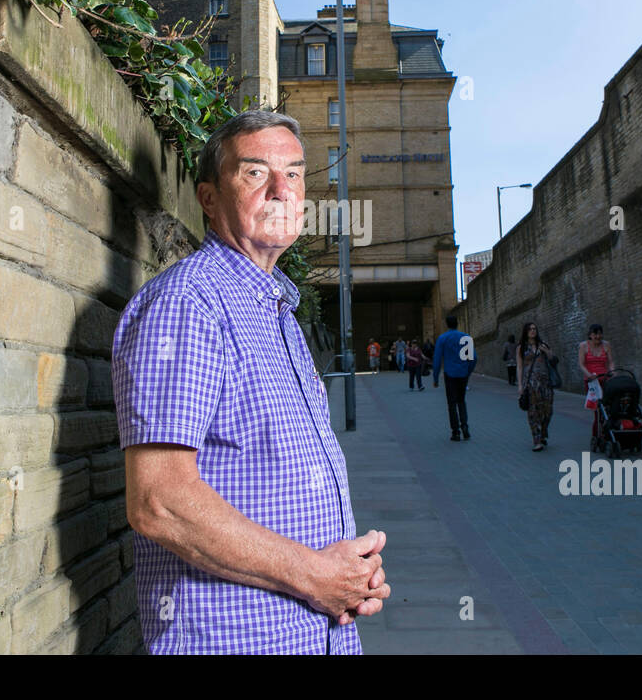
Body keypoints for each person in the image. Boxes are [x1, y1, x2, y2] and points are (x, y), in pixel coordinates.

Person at [113, 111, 390, 654]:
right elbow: (159, 499)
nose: (281, 190)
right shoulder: (188, 304)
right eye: (255, 173)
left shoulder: (275, 310)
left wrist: (346, 576)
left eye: (293, 173)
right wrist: (312, 574)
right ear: (210, 198)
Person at [432, 316, 477, 441]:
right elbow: (473, 357)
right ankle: (465, 427)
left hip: (450, 374)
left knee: (451, 403)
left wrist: (435, 378)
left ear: (447, 324)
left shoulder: (443, 338)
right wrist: (468, 371)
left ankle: (455, 431)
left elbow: (437, 360)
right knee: (461, 400)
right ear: (457, 323)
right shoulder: (466, 337)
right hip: (463, 373)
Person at [517, 320, 555, 451]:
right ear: (526, 332)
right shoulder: (521, 348)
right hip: (530, 384)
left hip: (545, 383)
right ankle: (537, 440)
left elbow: (553, 359)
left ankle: (543, 432)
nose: (533, 331)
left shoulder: (543, 344)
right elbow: (520, 367)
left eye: (534, 329)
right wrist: (520, 386)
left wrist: (547, 351)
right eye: (530, 329)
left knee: (548, 411)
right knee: (533, 412)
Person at [577, 323, 615, 429]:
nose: (598, 337)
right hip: (592, 381)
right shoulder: (583, 346)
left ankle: (607, 426)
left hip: (605, 378)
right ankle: (597, 431)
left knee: (608, 404)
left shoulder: (606, 345)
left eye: (600, 334)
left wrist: (613, 372)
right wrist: (589, 375)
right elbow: (581, 364)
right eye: (595, 334)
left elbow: (611, 361)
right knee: (598, 408)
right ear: (590, 335)